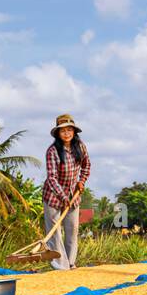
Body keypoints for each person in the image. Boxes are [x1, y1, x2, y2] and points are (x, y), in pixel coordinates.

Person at [42, 113, 90, 271]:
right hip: (53, 196)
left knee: (72, 229)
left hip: (73, 195)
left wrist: (81, 182)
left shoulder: (80, 147)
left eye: (69, 130)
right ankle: (60, 266)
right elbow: (52, 177)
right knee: (54, 231)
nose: (66, 133)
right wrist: (63, 197)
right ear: (58, 133)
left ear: (74, 132)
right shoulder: (52, 151)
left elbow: (86, 166)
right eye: (63, 131)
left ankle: (70, 262)